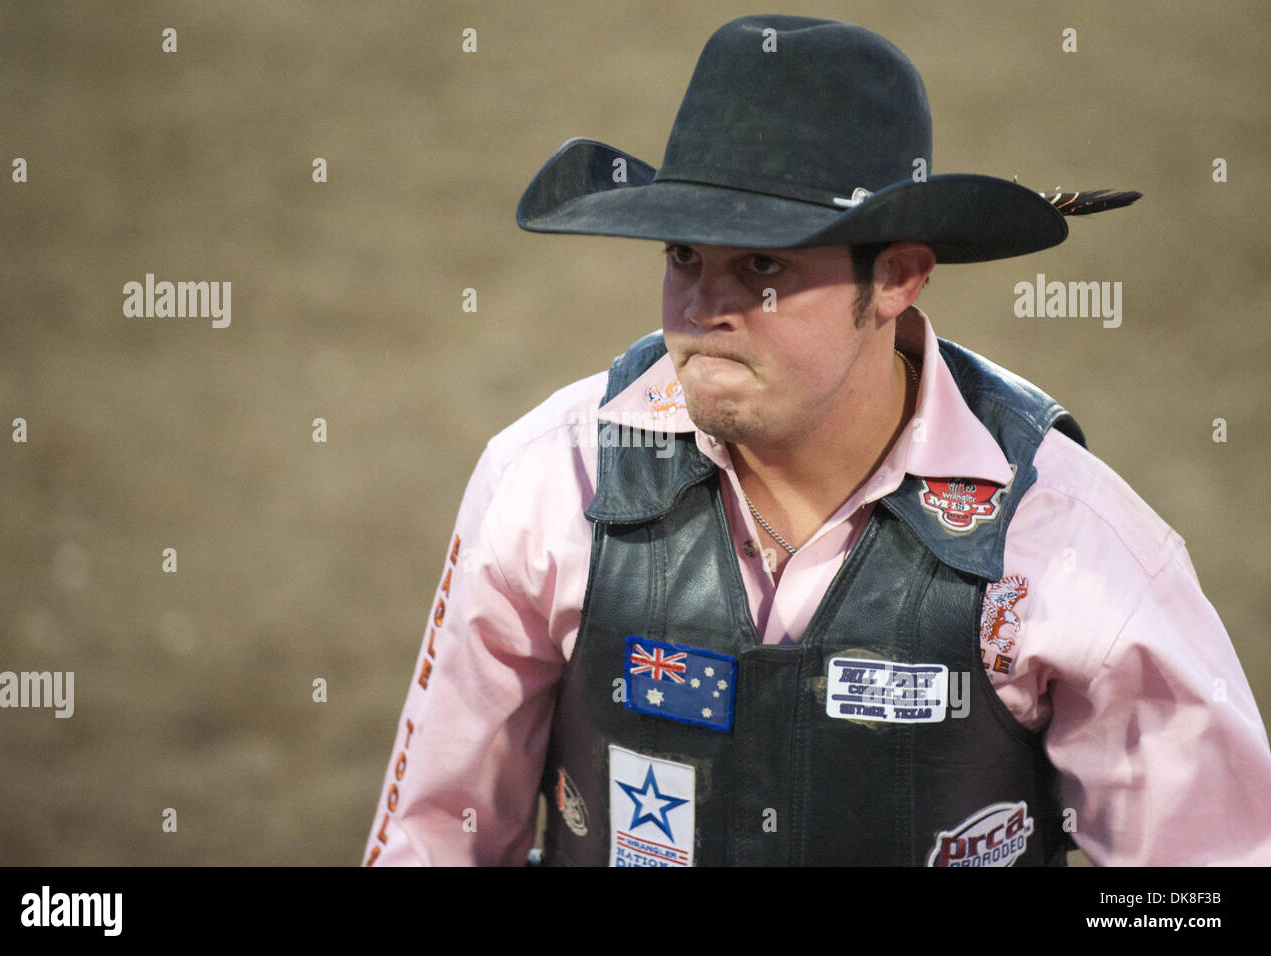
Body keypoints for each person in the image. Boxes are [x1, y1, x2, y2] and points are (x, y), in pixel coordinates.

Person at [363, 15, 1271, 866]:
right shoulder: (550, 481)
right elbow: (433, 838)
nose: (702, 312)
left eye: (763, 266)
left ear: (898, 278)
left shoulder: (1069, 547)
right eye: (684, 256)